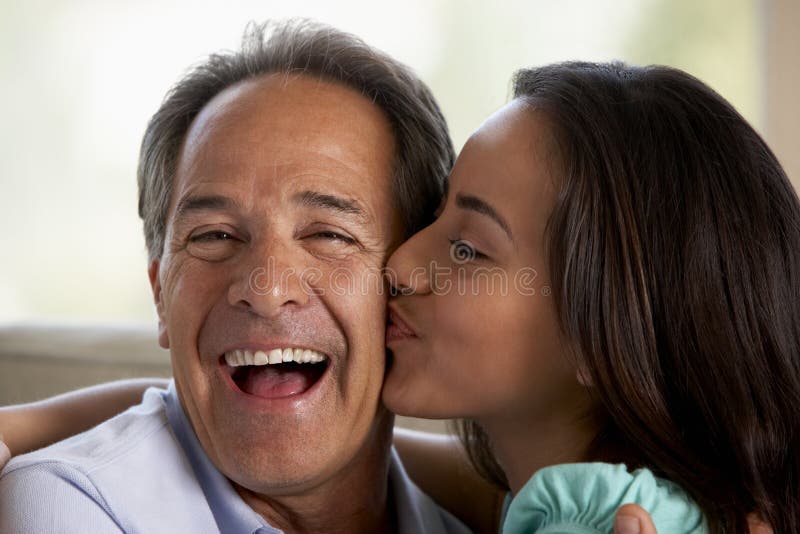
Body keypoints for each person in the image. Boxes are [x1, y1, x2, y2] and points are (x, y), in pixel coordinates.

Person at [0, 20, 655, 534]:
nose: (264, 285)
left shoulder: (513, 517)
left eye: (330, 234)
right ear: (159, 296)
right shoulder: (72, 508)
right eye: (215, 237)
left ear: (400, 288)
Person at [382, 62, 799, 532]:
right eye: (433, 216)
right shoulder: (623, 497)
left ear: (605, 334)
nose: (399, 266)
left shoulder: (599, 522)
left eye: (467, 250)